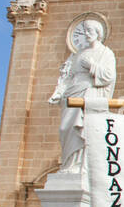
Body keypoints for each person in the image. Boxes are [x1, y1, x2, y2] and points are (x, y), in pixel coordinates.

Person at [48, 19, 117, 172]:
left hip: (90, 93)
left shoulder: (106, 53)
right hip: (72, 94)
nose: (86, 34)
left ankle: (81, 165)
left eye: (89, 31)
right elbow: (68, 76)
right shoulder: (77, 55)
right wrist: (58, 93)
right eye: (85, 31)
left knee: (84, 128)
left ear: (98, 33)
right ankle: (69, 163)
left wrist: (92, 65)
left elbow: (109, 76)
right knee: (66, 128)